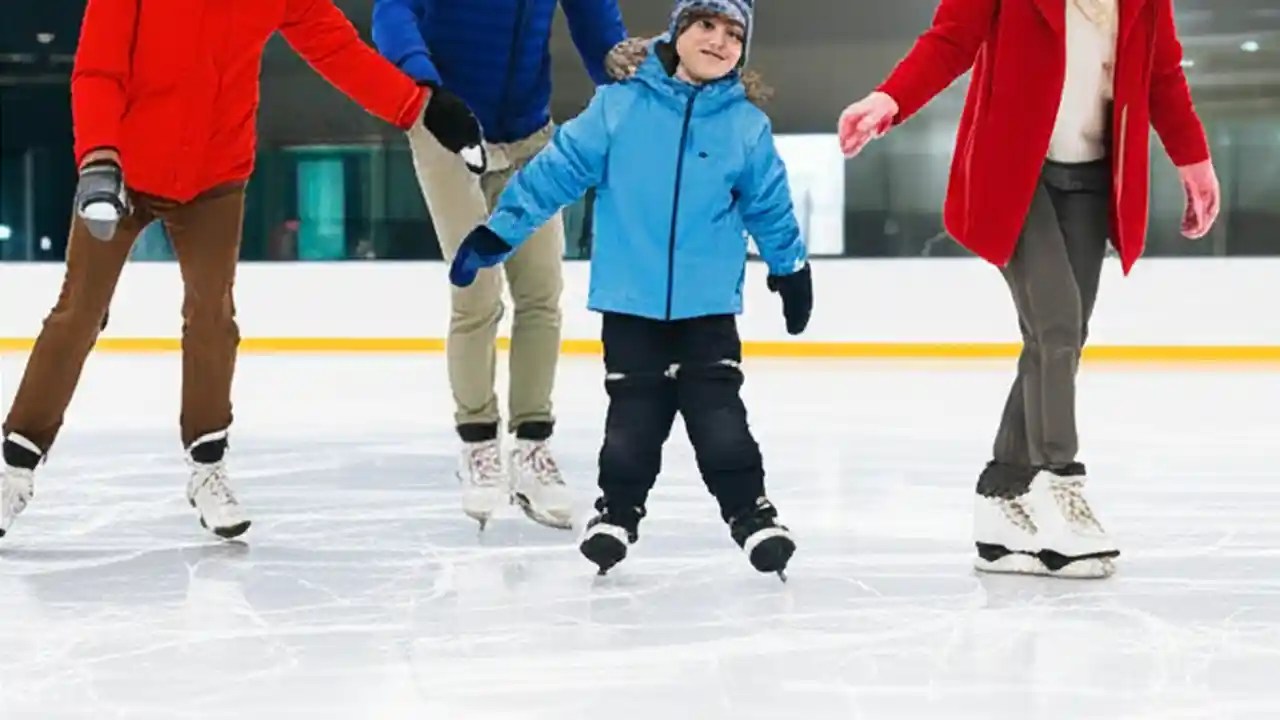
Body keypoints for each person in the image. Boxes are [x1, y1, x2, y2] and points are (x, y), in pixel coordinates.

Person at [0, 0, 484, 540]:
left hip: (214, 172)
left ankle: (208, 467)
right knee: (79, 311)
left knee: (213, 315)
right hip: (123, 166)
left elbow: (336, 49)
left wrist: (418, 106)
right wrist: (98, 158)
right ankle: (16, 465)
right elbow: (99, 69)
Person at [837, 0, 1222, 578]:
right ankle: (1059, 483)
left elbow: (1162, 73)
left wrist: (1193, 159)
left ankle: (1002, 500)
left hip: (1093, 178)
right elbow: (950, 40)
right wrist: (890, 99)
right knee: (1057, 326)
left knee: (1059, 336)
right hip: (1016, 173)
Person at [447, 0, 814, 579]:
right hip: (630, 304)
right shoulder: (618, 108)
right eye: (707, 24)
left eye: (734, 34)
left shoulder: (746, 127)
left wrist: (790, 268)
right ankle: (616, 513)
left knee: (720, 418)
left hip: (707, 306)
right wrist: (498, 232)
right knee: (632, 421)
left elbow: (769, 206)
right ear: (677, 31)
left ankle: (752, 514)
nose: (719, 41)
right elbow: (553, 174)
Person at [371, 0, 647, 532]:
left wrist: (618, 73)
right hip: (447, 125)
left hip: (528, 133)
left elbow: (594, 20)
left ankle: (532, 447)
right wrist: (425, 85)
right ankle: (478, 443)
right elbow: (393, 11)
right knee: (475, 290)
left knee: (542, 290)